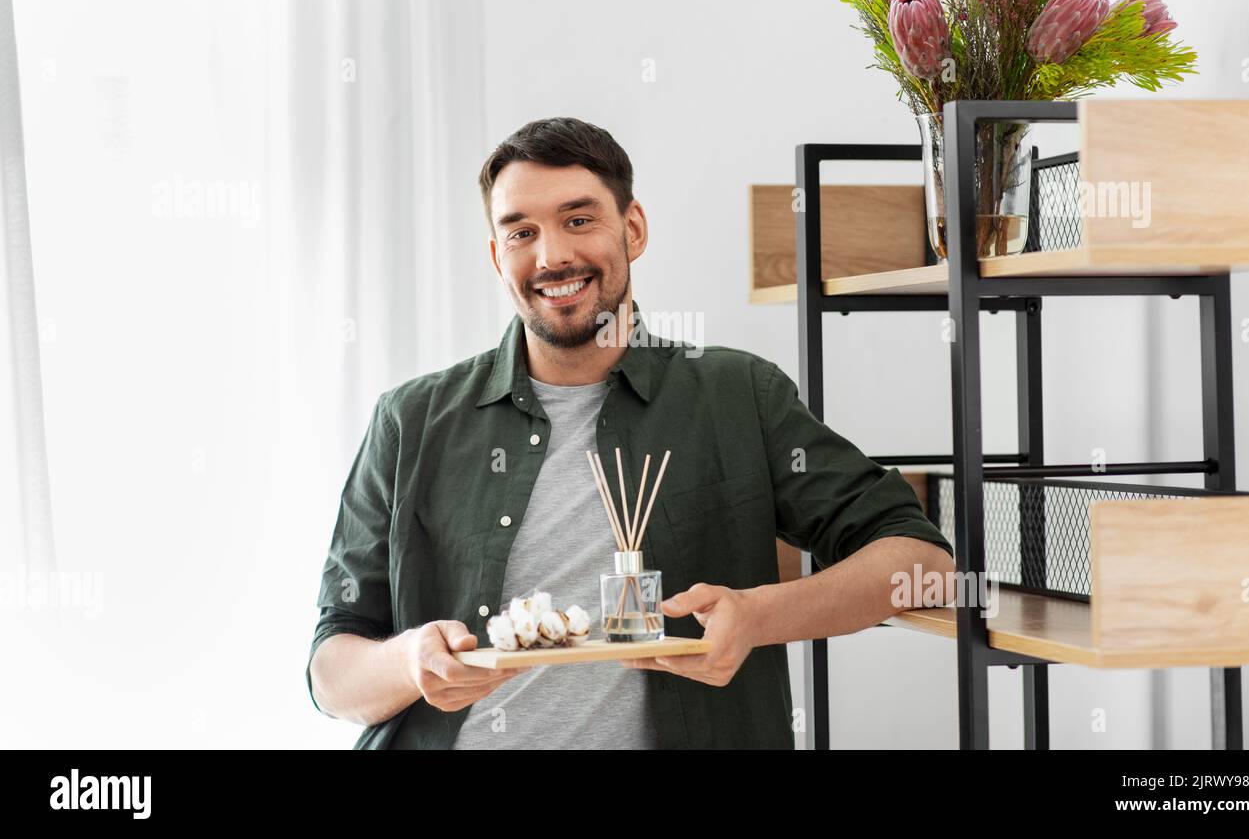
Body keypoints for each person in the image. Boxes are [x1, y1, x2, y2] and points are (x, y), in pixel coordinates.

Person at [306, 117, 955, 749]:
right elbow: (331, 671)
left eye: (578, 219)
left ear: (633, 228)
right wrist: (408, 661)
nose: (552, 254)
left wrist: (756, 616)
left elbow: (921, 562)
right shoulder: (409, 421)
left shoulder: (739, 396)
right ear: (496, 255)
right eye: (521, 231)